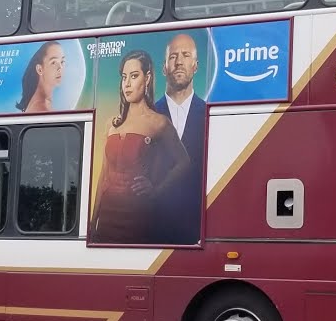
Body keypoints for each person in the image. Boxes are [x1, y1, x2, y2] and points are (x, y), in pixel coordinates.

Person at [90, 50, 191, 245]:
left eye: (134, 76)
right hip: (107, 216)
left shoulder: (159, 123)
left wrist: (156, 190)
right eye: (124, 77)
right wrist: (94, 220)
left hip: (137, 216)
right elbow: (103, 175)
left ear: (147, 78)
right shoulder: (112, 124)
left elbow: (184, 162)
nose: (127, 84)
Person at [153, 32, 207, 244]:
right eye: (173, 56)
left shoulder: (209, 114)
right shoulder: (149, 115)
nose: (179, 61)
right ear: (164, 66)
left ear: (195, 65)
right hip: (152, 231)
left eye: (185, 55)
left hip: (196, 232)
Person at [15, 41, 65, 113]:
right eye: (53, 62)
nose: (60, 67)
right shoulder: (41, 107)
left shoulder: (44, 102)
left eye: (62, 61)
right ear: (40, 69)